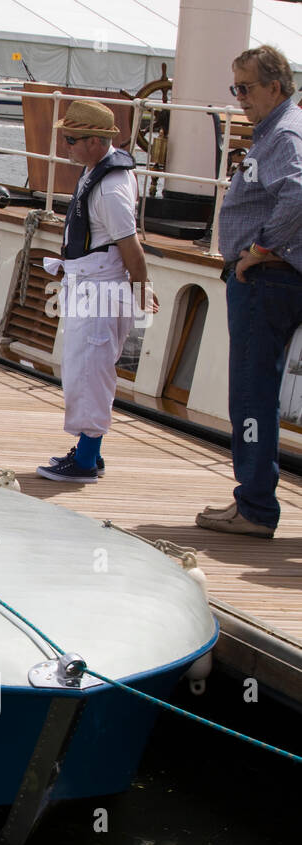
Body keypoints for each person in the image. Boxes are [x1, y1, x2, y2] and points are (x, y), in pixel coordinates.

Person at [198, 45, 302, 539]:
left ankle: (255, 507)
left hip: (265, 279)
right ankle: (255, 501)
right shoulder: (280, 132)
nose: (239, 98)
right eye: (234, 88)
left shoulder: (284, 133)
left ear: (275, 88)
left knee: (252, 392)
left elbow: (299, 192)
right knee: (256, 390)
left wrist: (258, 249)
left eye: (246, 88)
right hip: (271, 275)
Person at [35, 99, 158, 483]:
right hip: (89, 283)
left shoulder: (110, 191)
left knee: (89, 373)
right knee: (86, 369)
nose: (65, 147)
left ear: (95, 141)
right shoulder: (99, 169)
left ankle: (86, 461)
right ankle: (91, 451)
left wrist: (142, 289)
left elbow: (130, 245)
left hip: (101, 290)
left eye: (71, 139)